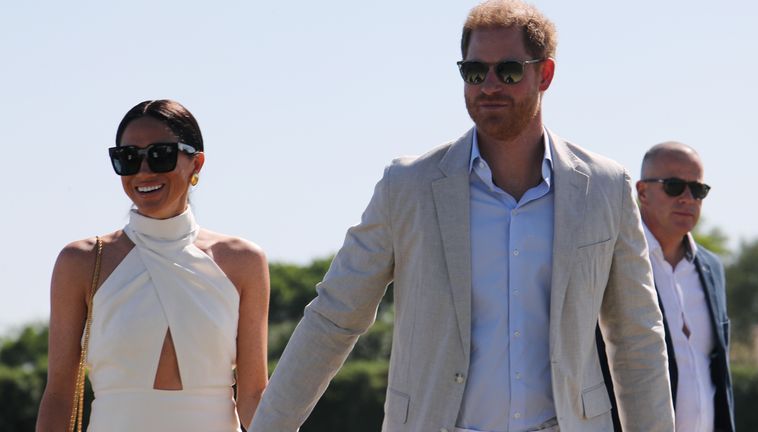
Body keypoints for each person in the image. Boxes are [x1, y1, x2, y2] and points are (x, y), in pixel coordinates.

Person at [251, 1, 674, 431]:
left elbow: (637, 339)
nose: (489, 85)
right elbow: (334, 316)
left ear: (544, 74)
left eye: (507, 71)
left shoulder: (605, 187)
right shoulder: (408, 186)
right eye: (474, 72)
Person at [35, 99, 270, 431]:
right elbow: (58, 397)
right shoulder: (80, 261)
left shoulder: (244, 261)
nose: (144, 171)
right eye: (128, 159)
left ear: (197, 163)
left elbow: (254, 396)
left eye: (161, 155)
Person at [599, 142, 734, 432]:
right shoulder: (612, 261)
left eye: (698, 190)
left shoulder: (712, 269)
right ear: (642, 192)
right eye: (674, 186)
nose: (688, 198)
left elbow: (718, 375)